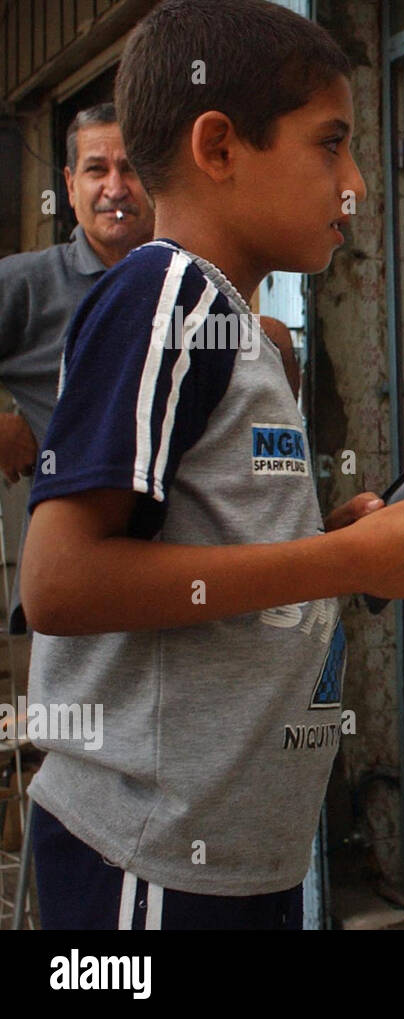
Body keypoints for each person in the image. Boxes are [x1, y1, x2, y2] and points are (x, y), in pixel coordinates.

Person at [22, 0, 404, 931]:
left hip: (235, 859)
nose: (355, 182)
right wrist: (340, 564)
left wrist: (333, 545)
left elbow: (207, 547)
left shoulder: (242, 330)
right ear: (220, 147)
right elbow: (61, 582)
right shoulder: (166, 296)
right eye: (330, 145)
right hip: (145, 861)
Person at [0, 103, 154, 631]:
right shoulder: (27, 283)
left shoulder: (186, 281)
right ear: (69, 186)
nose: (116, 187)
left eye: (131, 168)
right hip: (73, 589)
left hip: (177, 580)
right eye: (96, 169)